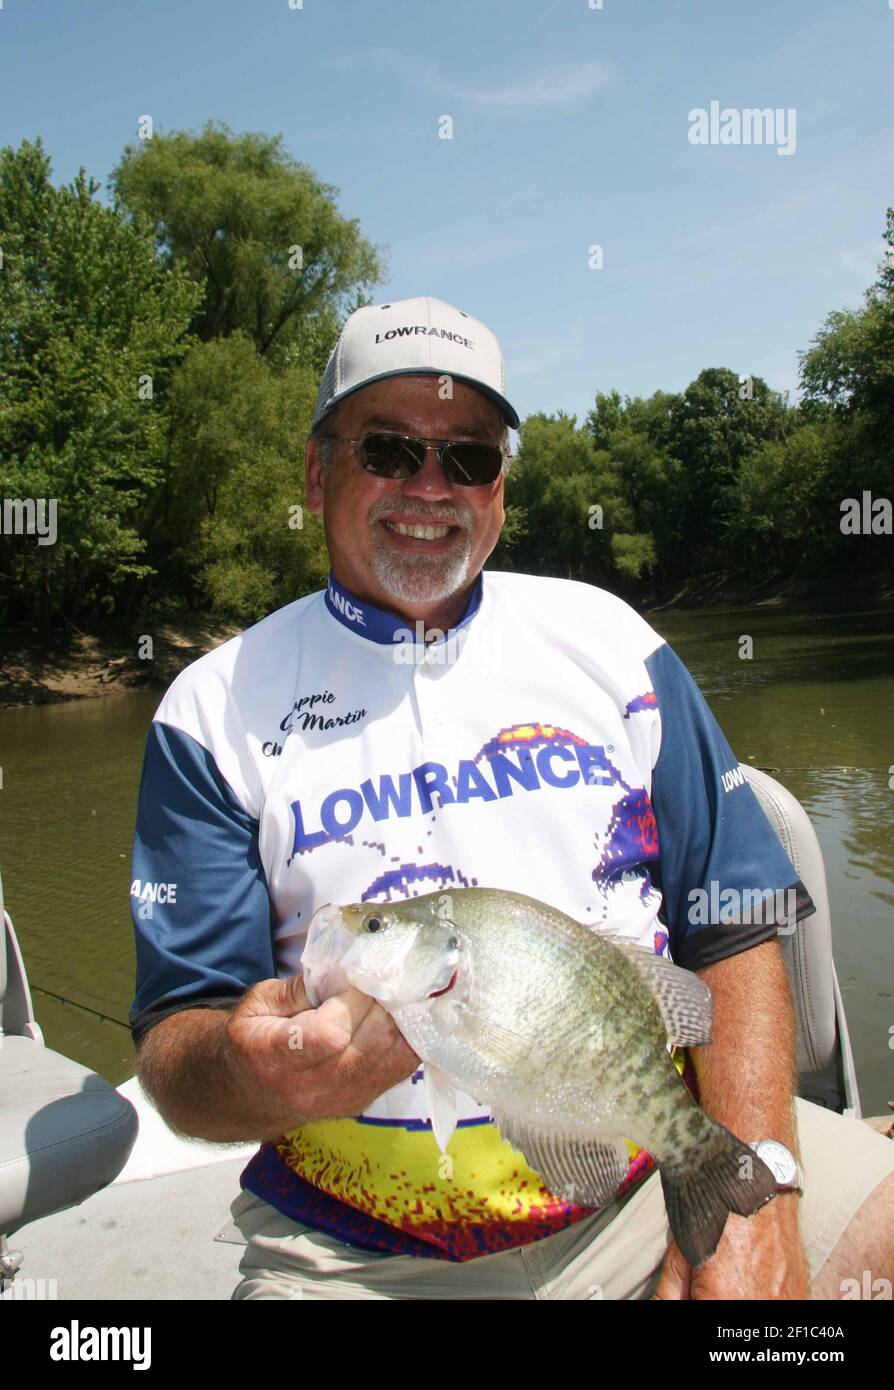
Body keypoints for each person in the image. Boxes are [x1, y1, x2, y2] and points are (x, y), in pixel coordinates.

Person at [129, 295, 894, 1300]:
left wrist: (757, 1211)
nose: (431, 487)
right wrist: (246, 1069)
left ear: (501, 485)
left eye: (471, 457)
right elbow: (178, 1040)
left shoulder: (611, 642)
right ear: (318, 474)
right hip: (359, 1252)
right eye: (391, 450)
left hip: (640, 1187)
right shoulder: (212, 709)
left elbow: (736, 919)